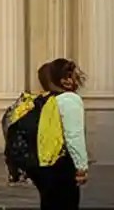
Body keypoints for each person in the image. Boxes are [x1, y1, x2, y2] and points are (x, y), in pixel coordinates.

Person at [31, 58, 89, 210]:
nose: (79, 78)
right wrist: (81, 166)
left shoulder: (47, 99)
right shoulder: (70, 100)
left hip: (45, 164)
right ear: (65, 81)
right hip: (62, 164)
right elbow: (74, 136)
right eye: (75, 75)